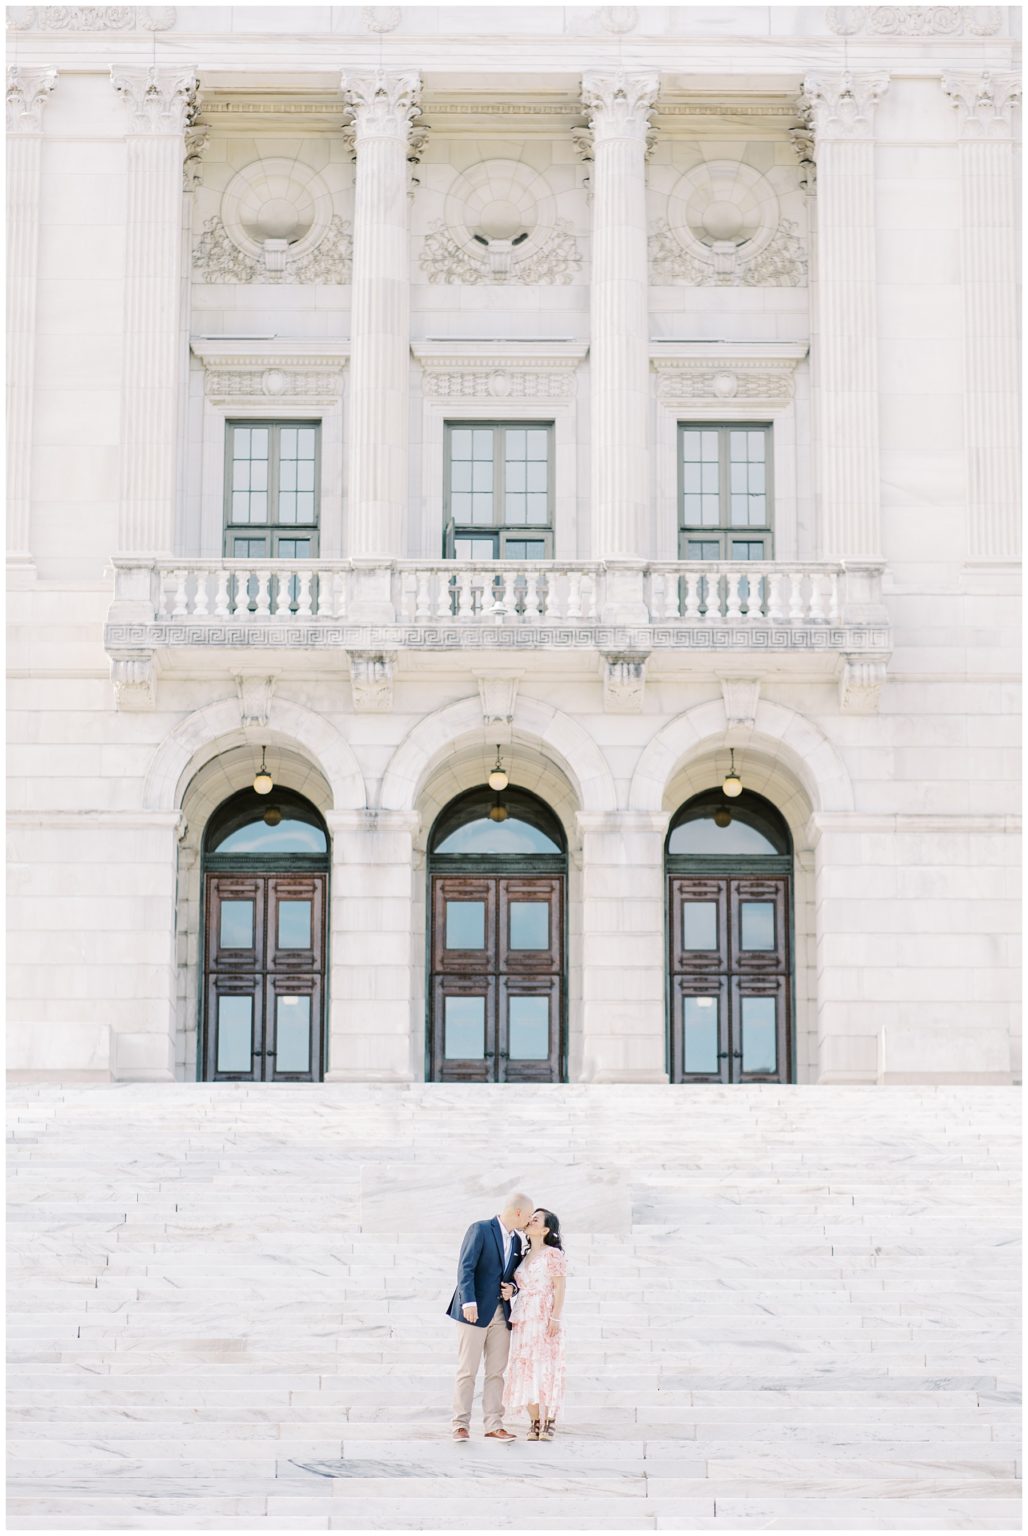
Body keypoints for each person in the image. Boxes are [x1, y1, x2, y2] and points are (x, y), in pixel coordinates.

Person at [445, 1192, 534, 1442]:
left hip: (501, 1313)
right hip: (473, 1311)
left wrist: (513, 1290)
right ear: (517, 1212)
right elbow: (466, 1267)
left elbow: (515, 1275)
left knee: (496, 1372)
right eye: (528, 1216)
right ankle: (460, 1424)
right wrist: (468, 1301)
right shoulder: (481, 1229)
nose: (529, 1221)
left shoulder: (517, 1241)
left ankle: (494, 1423)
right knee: (467, 1370)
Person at [501, 1208, 567, 1441]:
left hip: (543, 1313)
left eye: (536, 1219)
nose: (530, 1220)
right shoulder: (523, 1253)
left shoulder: (552, 1254)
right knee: (526, 1365)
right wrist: (512, 1290)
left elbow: (559, 1287)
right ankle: (534, 1420)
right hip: (523, 1315)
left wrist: (555, 1317)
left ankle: (548, 1420)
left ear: (545, 1229)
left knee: (544, 1364)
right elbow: (518, 1283)